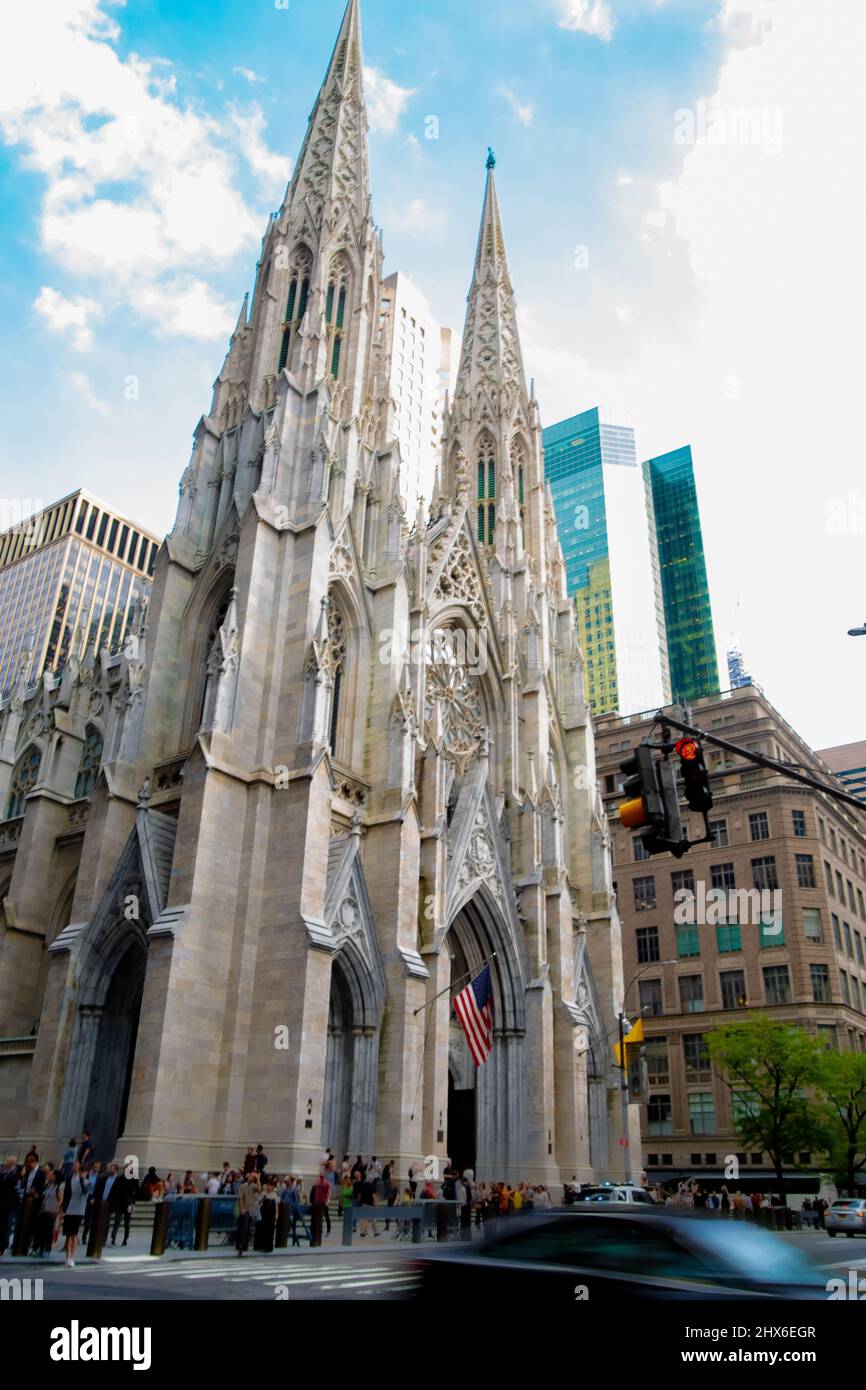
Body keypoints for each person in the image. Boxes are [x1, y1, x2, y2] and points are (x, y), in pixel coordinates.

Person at [62, 1161, 88, 1267]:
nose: (74, 1168)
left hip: (79, 1210)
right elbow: (67, 1194)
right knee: (68, 1235)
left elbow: (85, 1192)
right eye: (74, 1166)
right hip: (69, 1210)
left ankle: (72, 1257)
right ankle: (67, 1257)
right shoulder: (69, 1180)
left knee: (74, 1234)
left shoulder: (87, 1181)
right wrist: (63, 1208)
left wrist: (82, 1179)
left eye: (77, 1166)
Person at [36, 1169, 64, 1257]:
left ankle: (47, 1250)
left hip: (52, 1212)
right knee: (41, 1231)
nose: (49, 1176)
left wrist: (57, 1211)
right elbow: (45, 1197)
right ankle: (40, 1249)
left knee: (48, 1231)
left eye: (52, 1175)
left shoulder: (60, 1186)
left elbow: (60, 1200)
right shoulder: (48, 1185)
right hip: (45, 1210)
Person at [235, 1172, 260, 1256]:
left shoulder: (253, 1186)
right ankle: (241, 1245)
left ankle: (245, 1245)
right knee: (244, 1228)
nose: (251, 1178)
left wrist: (258, 1179)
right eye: (250, 1177)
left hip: (251, 1210)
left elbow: (259, 1190)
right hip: (245, 1210)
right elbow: (241, 1198)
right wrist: (242, 1209)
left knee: (248, 1228)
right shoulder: (243, 1186)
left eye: (252, 1178)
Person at [0, 1155, 20, 1255]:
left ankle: (3, 1245)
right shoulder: (3, 1172)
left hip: (8, 1204)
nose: (5, 1163)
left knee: (6, 1225)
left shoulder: (14, 1175)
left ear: (12, 1163)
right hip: (2, 1203)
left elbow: (13, 1189)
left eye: (7, 1161)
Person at [255, 1179, 279, 1252]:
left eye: (270, 1186)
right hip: (264, 1214)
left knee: (270, 1231)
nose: (269, 1187)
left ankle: (269, 1247)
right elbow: (259, 1202)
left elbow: (276, 1206)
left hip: (271, 1214)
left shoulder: (275, 1195)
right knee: (263, 1230)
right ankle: (262, 1246)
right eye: (268, 1185)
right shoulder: (263, 1193)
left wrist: (276, 1215)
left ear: (273, 1187)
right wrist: (262, 1200)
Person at [310, 1172, 332, 1240]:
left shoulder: (327, 1183)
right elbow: (313, 1192)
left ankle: (328, 1230)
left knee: (326, 1216)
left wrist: (328, 1200)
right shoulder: (317, 1183)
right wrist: (313, 1201)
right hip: (317, 1202)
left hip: (324, 1202)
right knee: (318, 1218)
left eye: (322, 1175)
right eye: (320, 1175)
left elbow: (329, 1191)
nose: (321, 1176)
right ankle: (318, 1231)